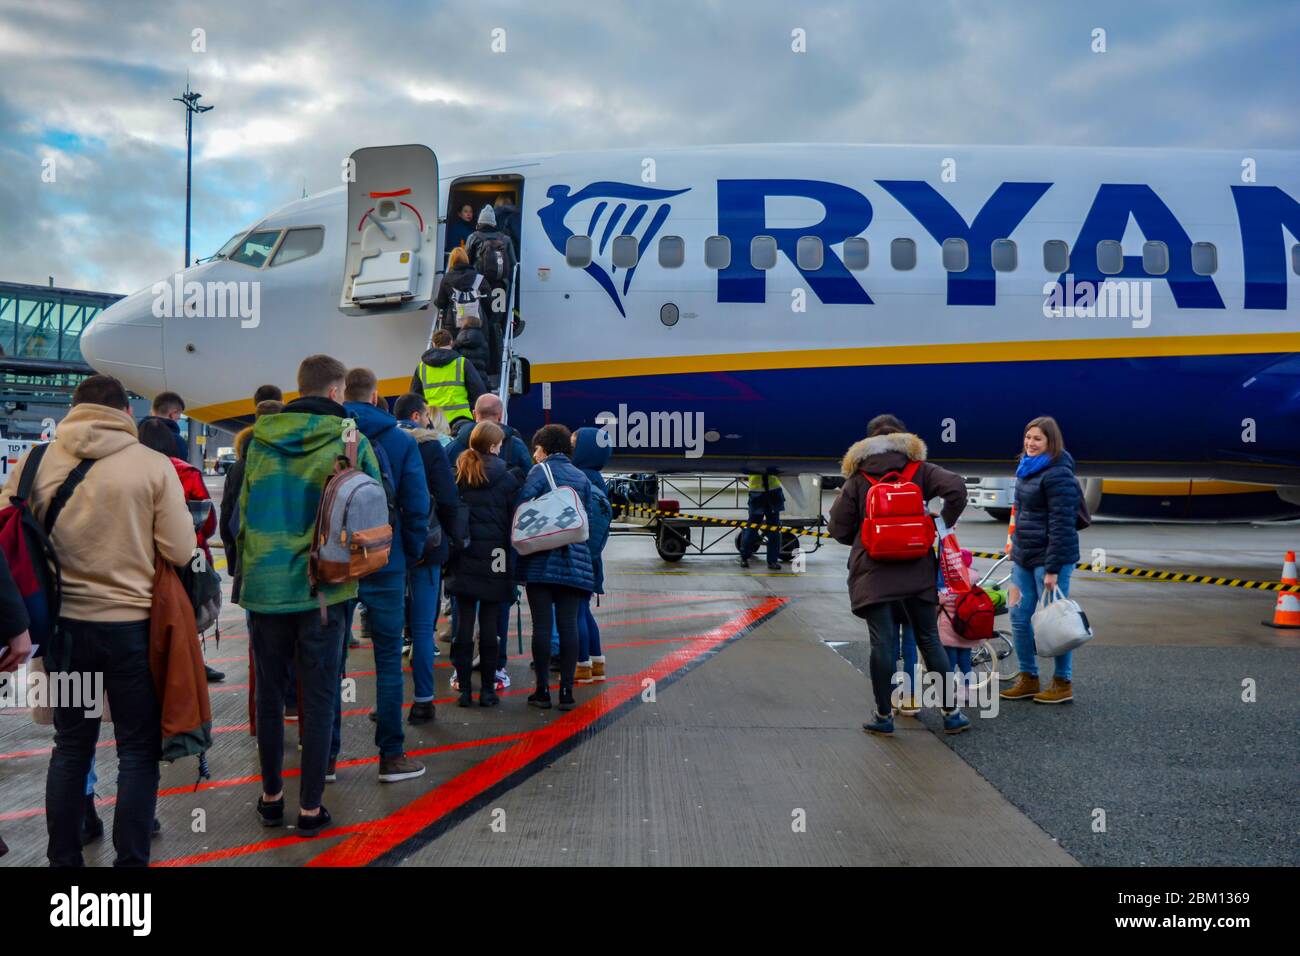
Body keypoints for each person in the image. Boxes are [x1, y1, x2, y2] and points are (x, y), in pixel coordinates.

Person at [2, 374, 194, 866]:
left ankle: (64, 864)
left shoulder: (33, 462)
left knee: (70, 748)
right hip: (132, 634)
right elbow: (180, 549)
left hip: (63, 634)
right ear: (126, 413)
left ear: (74, 408)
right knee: (136, 751)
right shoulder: (152, 465)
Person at [237, 355, 384, 835]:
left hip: (265, 586)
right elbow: (374, 507)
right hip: (326, 587)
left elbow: (242, 516)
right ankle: (310, 808)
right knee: (320, 698)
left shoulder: (259, 439)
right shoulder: (350, 438)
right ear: (336, 392)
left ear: (299, 388)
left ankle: (270, 798)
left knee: (270, 696)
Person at [827, 414, 972, 737]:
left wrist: (866, 538)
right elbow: (956, 488)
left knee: (883, 644)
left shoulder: (858, 478)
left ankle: (883, 716)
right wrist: (938, 523)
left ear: (867, 442)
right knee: (928, 639)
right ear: (904, 439)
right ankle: (951, 714)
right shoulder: (919, 469)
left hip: (874, 573)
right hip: (917, 568)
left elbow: (838, 527)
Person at [339, 369, 430, 779]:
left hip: (337, 561)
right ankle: (391, 756)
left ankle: (326, 759)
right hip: (385, 558)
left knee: (330, 661)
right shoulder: (400, 439)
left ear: (342, 394)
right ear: (376, 396)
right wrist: (409, 552)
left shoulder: (332, 434)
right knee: (389, 658)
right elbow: (417, 503)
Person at [443, 393, 530, 688]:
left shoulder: (456, 449)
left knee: (462, 613)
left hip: (464, 549)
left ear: (474, 413)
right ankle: (496, 670)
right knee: (496, 612)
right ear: (501, 415)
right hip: (498, 553)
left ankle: (460, 673)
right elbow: (525, 495)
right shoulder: (513, 451)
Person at [1001, 416, 1082, 705]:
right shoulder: (1026, 467)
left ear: (1051, 442)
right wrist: (1013, 542)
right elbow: (1021, 512)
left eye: (1037, 439)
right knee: (1018, 616)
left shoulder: (1058, 474)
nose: (1030, 443)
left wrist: (1052, 569)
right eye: (1028, 437)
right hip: (1024, 555)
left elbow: (1062, 524)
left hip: (1049, 559)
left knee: (1057, 621)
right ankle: (1028, 677)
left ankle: (1063, 681)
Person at [137, 417, 224, 684]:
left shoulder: (130, 469)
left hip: (143, 556)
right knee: (186, 609)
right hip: (189, 556)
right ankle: (190, 662)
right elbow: (208, 522)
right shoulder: (185, 471)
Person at [516, 424, 595, 712]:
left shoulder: (540, 471)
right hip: (575, 562)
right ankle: (566, 692)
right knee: (569, 626)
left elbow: (522, 505)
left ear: (545, 448)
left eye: (536, 449)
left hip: (542, 560)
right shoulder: (581, 476)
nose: (534, 455)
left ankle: (541, 692)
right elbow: (586, 516)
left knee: (542, 626)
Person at [393, 392, 459, 723]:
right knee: (422, 627)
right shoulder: (431, 447)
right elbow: (447, 498)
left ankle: (385, 703)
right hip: (426, 544)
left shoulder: (378, 442)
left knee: (388, 629)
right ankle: (423, 701)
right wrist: (454, 537)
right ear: (418, 415)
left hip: (385, 547)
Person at [571, 427, 612, 684]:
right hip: (592, 560)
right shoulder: (597, 479)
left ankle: (582, 665)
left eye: (574, 444)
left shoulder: (581, 480)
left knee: (576, 614)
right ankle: (597, 662)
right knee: (584, 612)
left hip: (581, 558)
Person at [463, 204, 517, 371]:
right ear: (494, 222)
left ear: (479, 222)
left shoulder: (474, 237)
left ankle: (482, 362)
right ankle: (498, 363)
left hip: (479, 287)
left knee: (479, 322)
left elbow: (466, 262)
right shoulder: (505, 239)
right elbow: (513, 264)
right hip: (500, 288)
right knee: (497, 323)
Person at [409, 329, 487, 434]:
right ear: (451, 342)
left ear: (433, 344)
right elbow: (478, 392)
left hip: (434, 422)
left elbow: (415, 398)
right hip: (461, 421)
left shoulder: (421, 368)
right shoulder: (462, 363)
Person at [434, 246, 486, 335]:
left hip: (453, 325)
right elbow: (488, 300)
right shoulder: (478, 277)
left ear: (451, 261)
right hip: (476, 324)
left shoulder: (447, 279)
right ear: (466, 259)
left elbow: (441, 303)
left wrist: (436, 301)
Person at [739, 469, 784, 570]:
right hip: (761, 493)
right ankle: (746, 557)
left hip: (770, 491)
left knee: (772, 529)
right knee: (753, 529)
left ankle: (771, 560)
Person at [139, 390, 188, 460]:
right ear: (173, 414)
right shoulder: (178, 442)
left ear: (153, 411)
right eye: (178, 418)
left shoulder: (134, 435)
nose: (177, 421)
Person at [455, 314, 492, 383]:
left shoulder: (458, 338)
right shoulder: (482, 339)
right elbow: (487, 360)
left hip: (462, 374)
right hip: (479, 375)